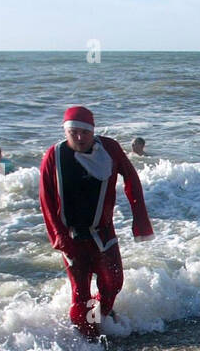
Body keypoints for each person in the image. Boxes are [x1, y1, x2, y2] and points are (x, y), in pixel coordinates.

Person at [38, 105, 154, 338]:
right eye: (74, 133)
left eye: (85, 132)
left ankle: (101, 314)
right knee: (80, 292)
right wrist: (57, 235)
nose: (80, 138)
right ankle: (89, 338)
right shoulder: (55, 155)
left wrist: (140, 221)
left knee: (114, 282)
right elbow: (46, 198)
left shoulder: (109, 149)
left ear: (93, 131)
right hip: (71, 236)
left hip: (102, 231)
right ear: (66, 132)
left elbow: (131, 178)